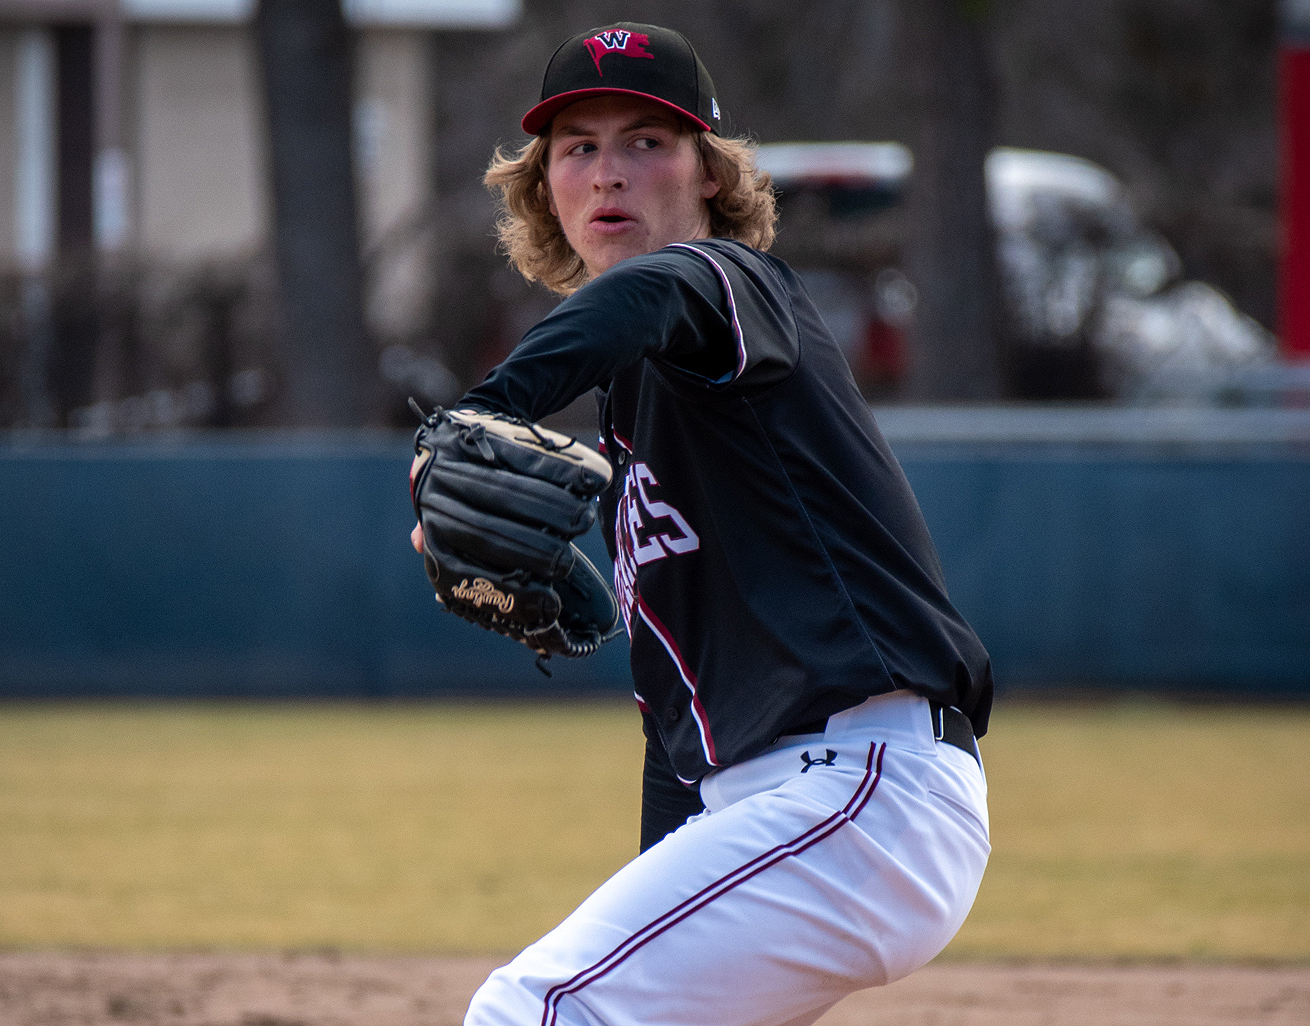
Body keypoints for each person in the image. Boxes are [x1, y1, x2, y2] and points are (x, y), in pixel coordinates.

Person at [413, 22, 994, 1026]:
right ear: (544, 184)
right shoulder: (638, 407)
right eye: (578, 147)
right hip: (791, 804)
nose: (610, 173)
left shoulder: (735, 289)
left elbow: (661, 291)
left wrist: (492, 407)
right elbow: (676, 737)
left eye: (648, 142)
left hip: (859, 791)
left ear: (712, 176)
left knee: (531, 1011)